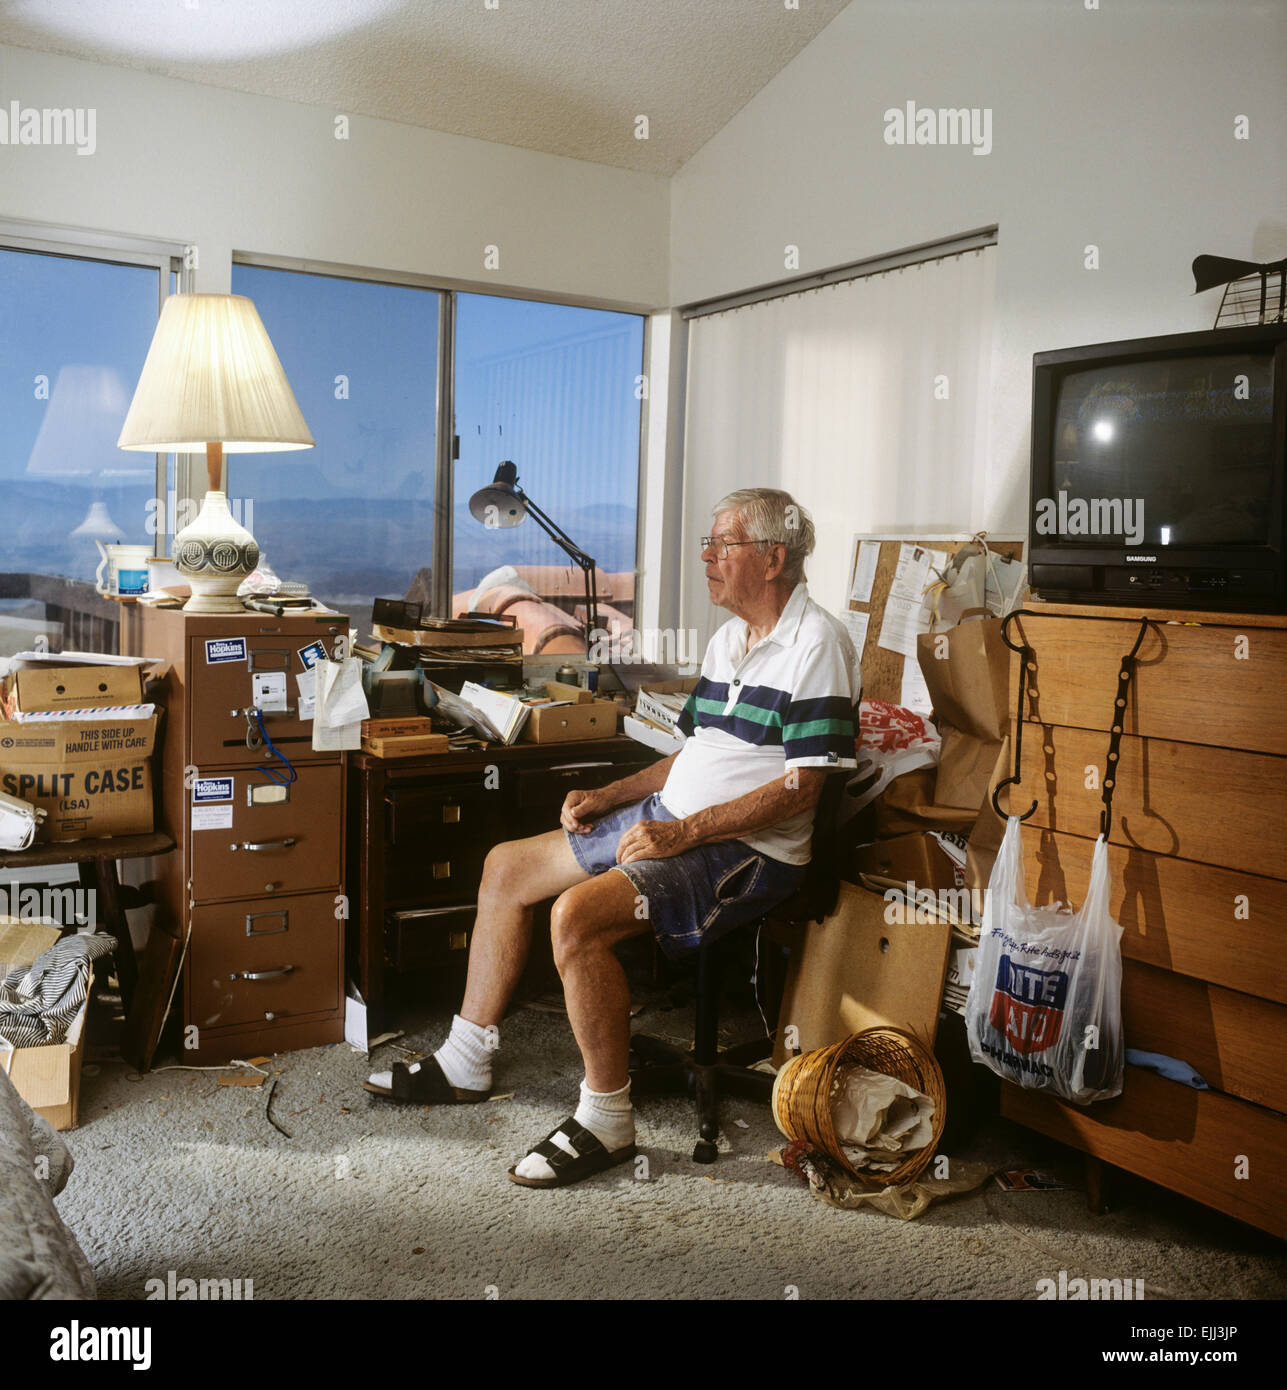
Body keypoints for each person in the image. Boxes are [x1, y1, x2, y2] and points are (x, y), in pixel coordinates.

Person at [367, 487, 861, 1187]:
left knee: (577, 919)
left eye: (722, 545)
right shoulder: (727, 640)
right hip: (669, 820)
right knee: (506, 866)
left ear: (772, 558)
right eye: (707, 543)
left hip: (748, 851)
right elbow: (687, 755)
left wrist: (681, 831)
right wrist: (613, 795)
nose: (705, 557)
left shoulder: (817, 644)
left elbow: (802, 787)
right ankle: (466, 1059)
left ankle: (607, 1121)